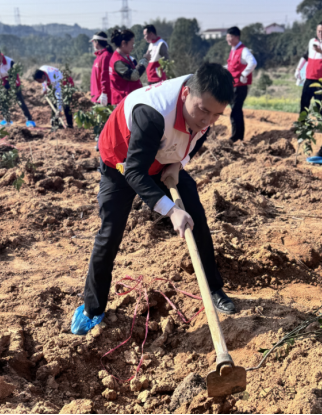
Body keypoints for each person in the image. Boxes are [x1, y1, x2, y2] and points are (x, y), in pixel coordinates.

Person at [71, 63, 237, 335]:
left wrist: (179, 163)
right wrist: (171, 211)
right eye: (204, 111)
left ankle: (213, 288)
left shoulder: (205, 112)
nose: (208, 120)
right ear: (185, 94)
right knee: (109, 234)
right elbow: (135, 172)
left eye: (217, 114)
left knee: (197, 218)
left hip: (164, 158)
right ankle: (93, 308)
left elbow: (197, 138)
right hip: (122, 162)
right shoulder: (152, 113)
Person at [295, 21, 322, 117]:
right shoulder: (312, 41)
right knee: (304, 101)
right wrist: (298, 69)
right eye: (318, 31)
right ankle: (302, 123)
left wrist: (321, 52)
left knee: (320, 104)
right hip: (309, 77)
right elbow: (306, 56)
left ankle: (320, 125)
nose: (320, 33)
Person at [0, 47, 36, 128]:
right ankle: (7, 120)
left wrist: (8, 86)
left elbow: (13, 76)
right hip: (3, 82)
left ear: (0, 54)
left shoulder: (10, 62)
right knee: (4, 102)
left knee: (20, 102)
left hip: (14, 82)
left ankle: (29, 120)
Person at [226, 26, 257, 144]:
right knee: (236, 110)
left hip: (240, 86)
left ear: (236, 37)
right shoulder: (233, 50)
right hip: (233, 84)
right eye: (227, 36)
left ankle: (236, 137)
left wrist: (244, 74)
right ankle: (238, 136)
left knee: (235, 110)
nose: (228, 39)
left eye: (230, 37)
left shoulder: (243, 50)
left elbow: (253, 63)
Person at [109, 29, 151, 106]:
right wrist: (145, 60)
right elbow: (134, 76)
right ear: (123, 43)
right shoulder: (118, 61)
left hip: (129, 99)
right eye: (132, 44)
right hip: (123, 102)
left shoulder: (125, 56)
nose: (133, 47)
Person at [90, 32, 113, 106]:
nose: (93, 44)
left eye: (93, 42)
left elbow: (105, 75)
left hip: (103, 97)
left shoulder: (106, 56)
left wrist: (104, 93)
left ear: (96, 42)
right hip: (97, 96)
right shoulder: (99, 56)